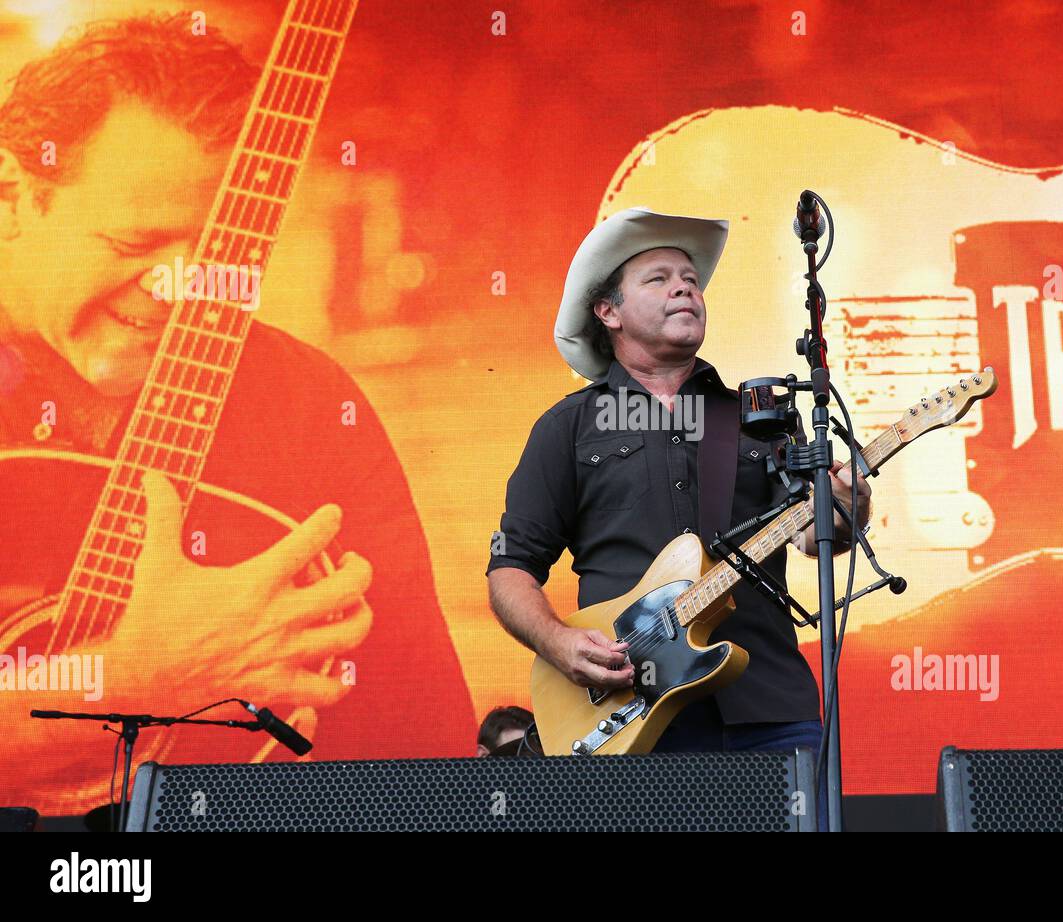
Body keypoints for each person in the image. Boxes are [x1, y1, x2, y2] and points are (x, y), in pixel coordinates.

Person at [0, 14, 475, 816]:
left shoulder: (308, 409)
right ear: (16, 196)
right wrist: (126, 684)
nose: (179, 292)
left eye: (215, 257)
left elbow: (424, 766)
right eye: (132, 243)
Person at [486, 207, 870, 764]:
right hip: (628, 710)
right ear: (607, 312)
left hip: (765, 706)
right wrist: (558, 641)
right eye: (659, 279)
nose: (684, 289)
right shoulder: (566, 428)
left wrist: (850, 506)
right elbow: (510, 568)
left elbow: (818, 535)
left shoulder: (756, 418)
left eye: (691, 280)